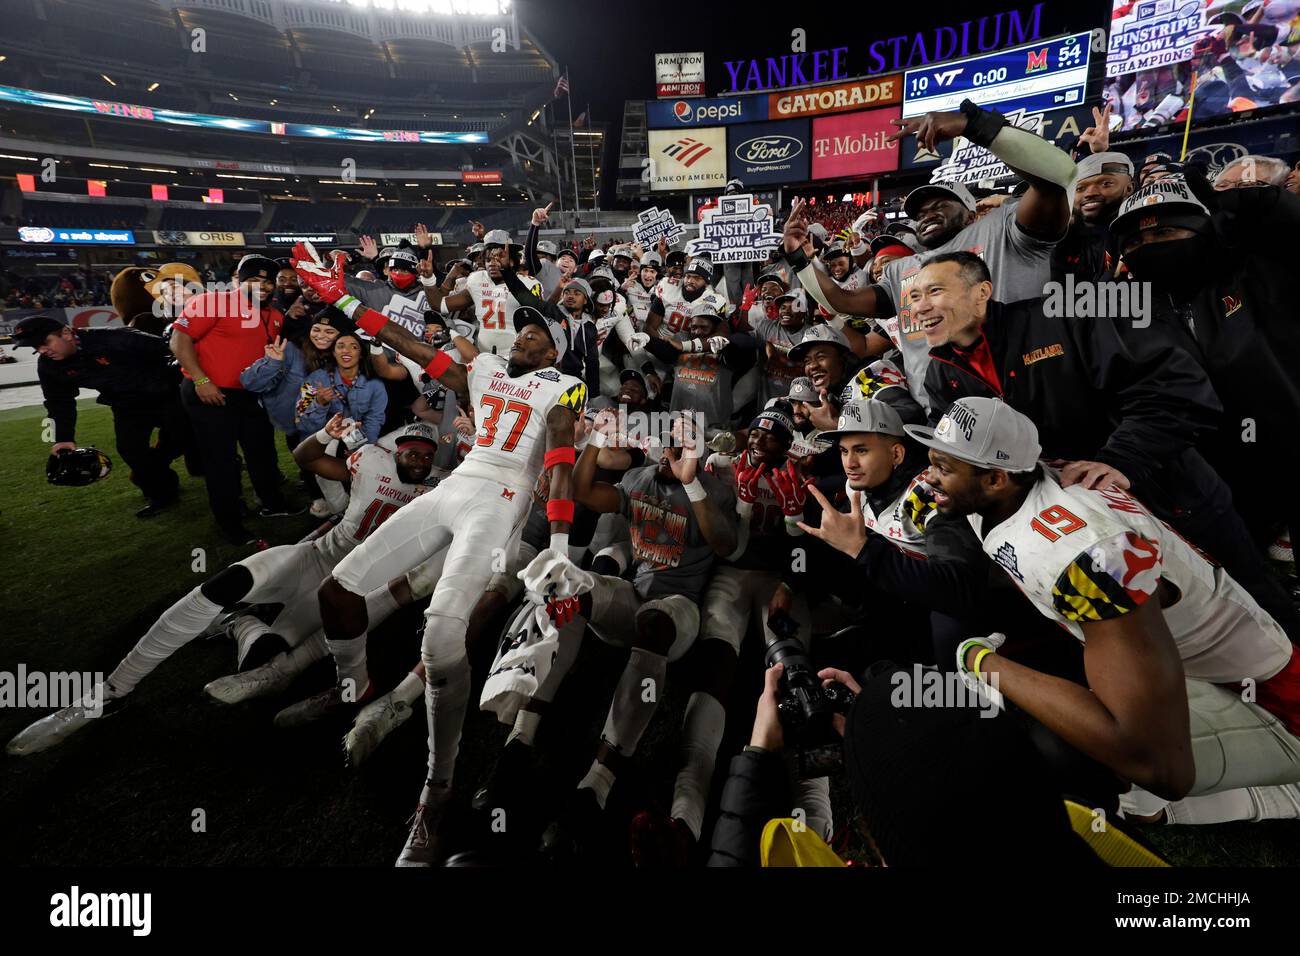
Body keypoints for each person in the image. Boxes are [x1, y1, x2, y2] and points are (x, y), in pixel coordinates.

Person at [291, 245, 589, 866]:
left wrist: (558, 546)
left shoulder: (565, 385)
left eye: (534, 327)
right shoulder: (484, 370)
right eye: (521, 323)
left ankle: (438, 790)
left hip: (500, 501)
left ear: (554, 346)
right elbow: (409, 345)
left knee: (440, 635)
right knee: (337, 593)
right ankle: (354, 686)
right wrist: (338, 296)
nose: (522, 330)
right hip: (457, 485)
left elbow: (559, 459)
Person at [909, 396, 1300, 826]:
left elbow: (1156, 765)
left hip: (1268, 698)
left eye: (944, 468)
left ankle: (1283, 796)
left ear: (997, 479)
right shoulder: (1022, 487)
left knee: (1082, 755)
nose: (929, 478)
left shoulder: (1084, 555)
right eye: (932, 462)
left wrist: (982, 662)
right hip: (1194, 659)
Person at [6, 416, 439, 756]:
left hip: (349, 585)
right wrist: (324, 434)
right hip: (314, 555)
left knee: (265, 659)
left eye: (426, 453)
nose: (418, 457)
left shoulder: (436, 489)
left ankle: (240, 625)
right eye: (412, 449)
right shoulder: (371, 461)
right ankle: (112, 692)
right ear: (395, 449)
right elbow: (309, 459)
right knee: (221, 585)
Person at [785, 99, 1076, 411]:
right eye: (921, 212)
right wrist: (800, 258)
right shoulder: (904, 269)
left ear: (970, 214)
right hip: (942, 415)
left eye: (940, 205)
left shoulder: (1003, 227)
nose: (927, 215)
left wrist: (974, 124)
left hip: (1026, 400)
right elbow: (840, 301)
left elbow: (1057, 178)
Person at [171, 253, 302, 543]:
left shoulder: (274, 315)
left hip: (251, 395)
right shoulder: (213, 301)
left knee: (262, 452)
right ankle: (229, 521)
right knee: (222, 461)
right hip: (210, 393)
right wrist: (201, 380)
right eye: (255, 280)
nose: (264, 287)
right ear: (240, 281)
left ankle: (272, 504)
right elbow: (178, 340)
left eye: (269, 282)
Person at [15, 314, 189, 518]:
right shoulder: (48, 365)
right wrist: (63, 438)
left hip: (168, 397)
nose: (42, 350)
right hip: (126, 406)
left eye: (44, 342)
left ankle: (171, 470)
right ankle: (161, 495)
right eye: (35, 347)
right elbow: (58, 402)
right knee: (130, 450)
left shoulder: (116, 338)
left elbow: (173, 350)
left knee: (187, 441)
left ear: (66, 333)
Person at [294, 330, 388, 444]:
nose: (346, 351)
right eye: (340, 346)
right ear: (334, 352)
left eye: (353, 347)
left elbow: (374, 421)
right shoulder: (312, 380)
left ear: (361, 354)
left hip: (356, 441)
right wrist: (319, 404)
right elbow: (301, 424)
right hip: (321, 442)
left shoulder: (375, 384)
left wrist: (363, 448)